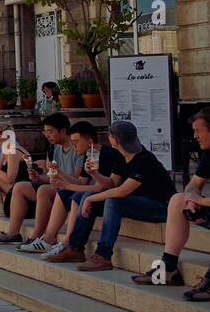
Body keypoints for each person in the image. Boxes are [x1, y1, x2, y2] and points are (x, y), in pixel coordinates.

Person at [51, 121, 176, 272]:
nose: (108, 138)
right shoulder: (122, 157)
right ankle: (75, 248)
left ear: (115, 140)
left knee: (112, 201)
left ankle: (103, 255)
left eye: (110, 135)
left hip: (161, 207)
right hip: (137, 202)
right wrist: (94, 174)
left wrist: (91, 198)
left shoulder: (144, 159)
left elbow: (122, 191)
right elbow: (111, 184)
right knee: (87, 196)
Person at [133, 110, 210, 292]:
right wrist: (191, 199)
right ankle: (168, 268)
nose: (195, 136)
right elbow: (194, 184)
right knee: (177, 200)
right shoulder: (208, 153)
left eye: (198, 131)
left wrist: (200, 201)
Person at [21, 121, 123, 256]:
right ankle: (48, 239)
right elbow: (82, 182)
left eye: (76, 142)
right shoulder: (89, 154)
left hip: (107, 196)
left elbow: (103, 187)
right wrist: (60, 173)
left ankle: (67, 243)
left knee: (75, 195)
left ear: (90, 142)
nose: (74, 146)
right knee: (63, 192)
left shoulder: (109, 154)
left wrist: (67, 185)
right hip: (93, 193)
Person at [0, 113, 80, 244]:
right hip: (56, 186)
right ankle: (13, 233)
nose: (47, 135)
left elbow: (77, 178)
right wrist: (39, 177)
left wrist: (54, 171)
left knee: (43, 190)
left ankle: (36, 237)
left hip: (69, 188)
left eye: (50, 132)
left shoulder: (77, 148)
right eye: (45, 132)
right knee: (20, 186)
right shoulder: (54, 149)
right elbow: (51, 177)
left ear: (63, 131)